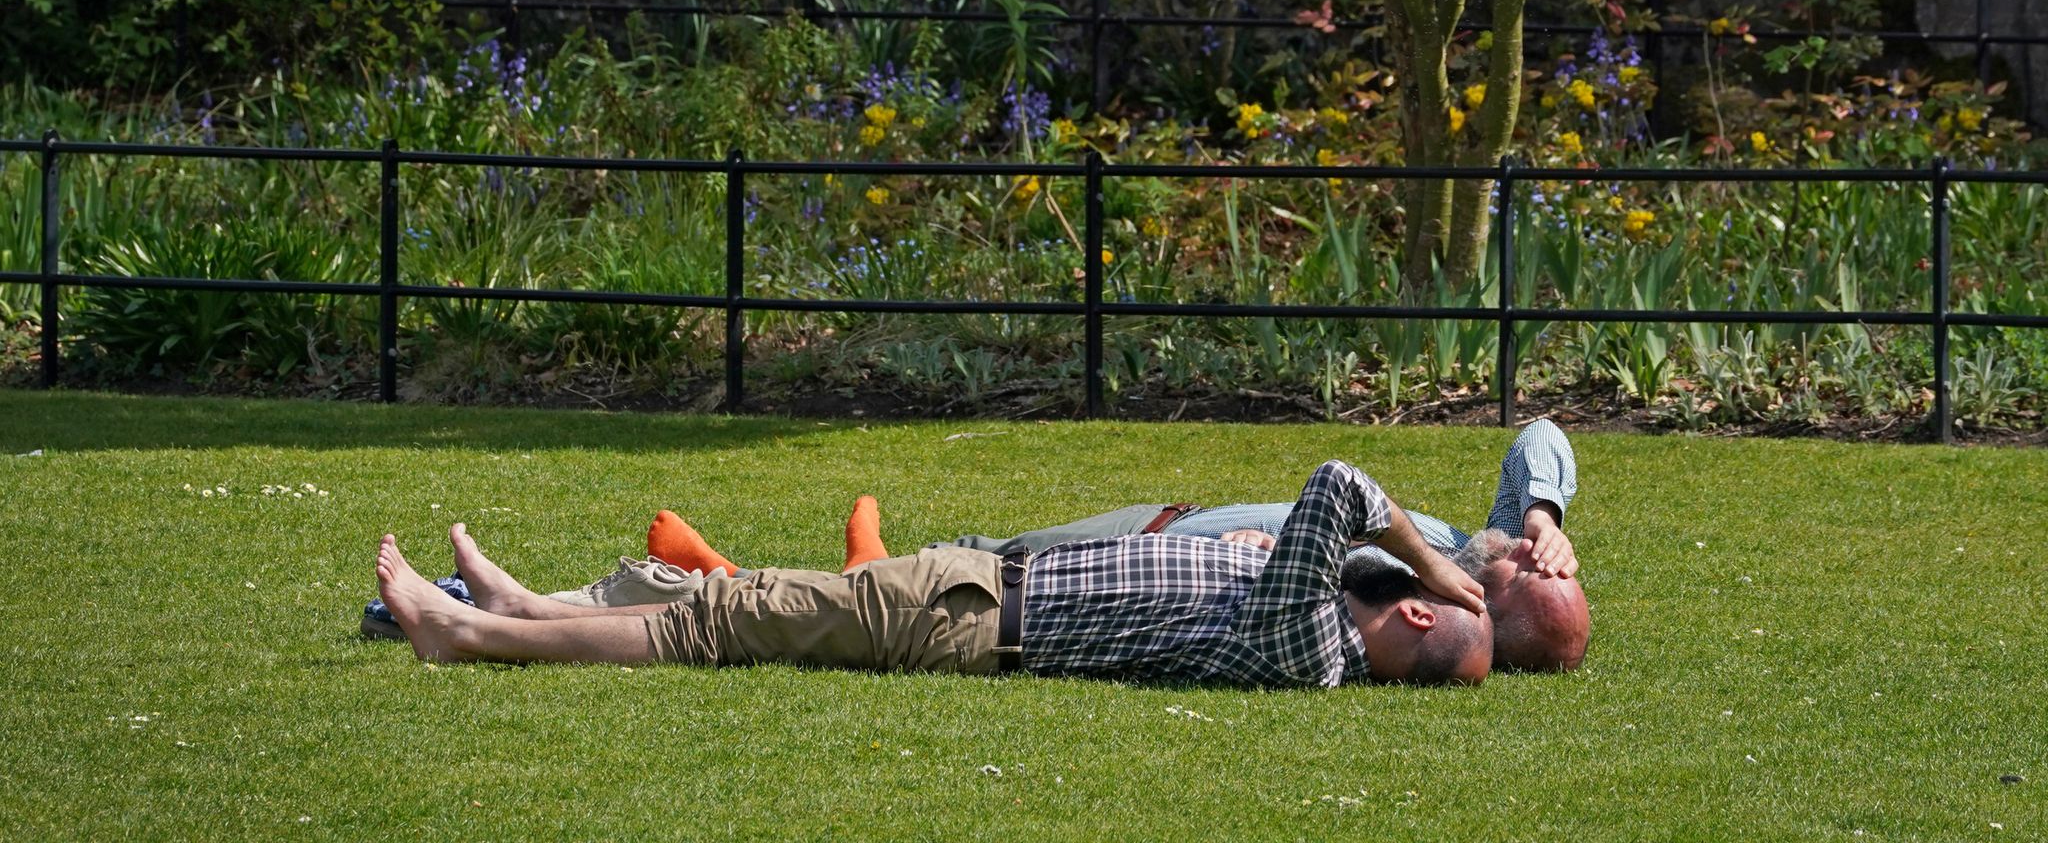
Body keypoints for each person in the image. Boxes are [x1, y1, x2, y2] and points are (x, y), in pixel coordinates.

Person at [374, 460, 1494, 686]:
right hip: (975, 589)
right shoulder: (1298, 621)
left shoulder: (1310, 641)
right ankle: (517, 607)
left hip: (970, 617)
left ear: (1408, 612)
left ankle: (472, 633)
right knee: (741, 603)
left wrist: (1439, 565)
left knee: (717, 619)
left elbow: (1340, 480)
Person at [648, 419, 1588, 673]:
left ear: (1477, 605)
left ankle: (723, 582)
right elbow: (1537, 436)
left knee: (971, 565)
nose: (1510, 546)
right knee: (964, 558)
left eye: (1512, 565)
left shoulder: (1410, 604)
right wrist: (1544, 519)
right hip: (1169, 525)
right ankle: (835, 574)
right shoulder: (1462, 544)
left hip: (1150, 559)